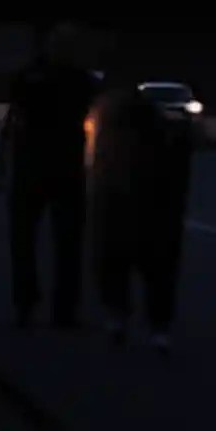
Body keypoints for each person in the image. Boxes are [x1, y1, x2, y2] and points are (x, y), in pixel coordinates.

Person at [0, 22, 100, 329]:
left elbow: (98, 124)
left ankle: (59, 309)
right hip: (35, 169)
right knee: (29, 242)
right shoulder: (32, 78)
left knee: (66, 244)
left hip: (64, 171)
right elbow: (13, 121)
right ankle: (31, 303)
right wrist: (0, 165)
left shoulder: (81, 80)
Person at [85, 84, 192, 353]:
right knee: (159, 268)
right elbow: (181, 177)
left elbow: (96, 169)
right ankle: (157, 326)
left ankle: (119, 317)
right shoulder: (169, 138)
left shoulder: (110, 133)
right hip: (156, 209)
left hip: (121, 205)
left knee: (114, 260)